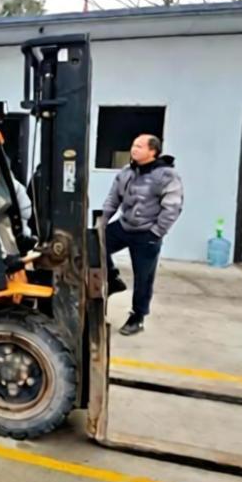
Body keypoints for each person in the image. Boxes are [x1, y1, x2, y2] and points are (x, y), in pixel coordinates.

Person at [101, 134, 184, 336]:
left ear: (152, 151)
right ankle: (112, 279)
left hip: (147, 233)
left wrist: (156, 232)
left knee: (143, 279)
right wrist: (102, 224)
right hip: (124, 227)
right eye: (133, 145)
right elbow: (113, 199)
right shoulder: (127, 173)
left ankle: (137, 318)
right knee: (94, 244)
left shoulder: (166, 176)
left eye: (139, 146)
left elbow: (172, 207)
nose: (134, 149)